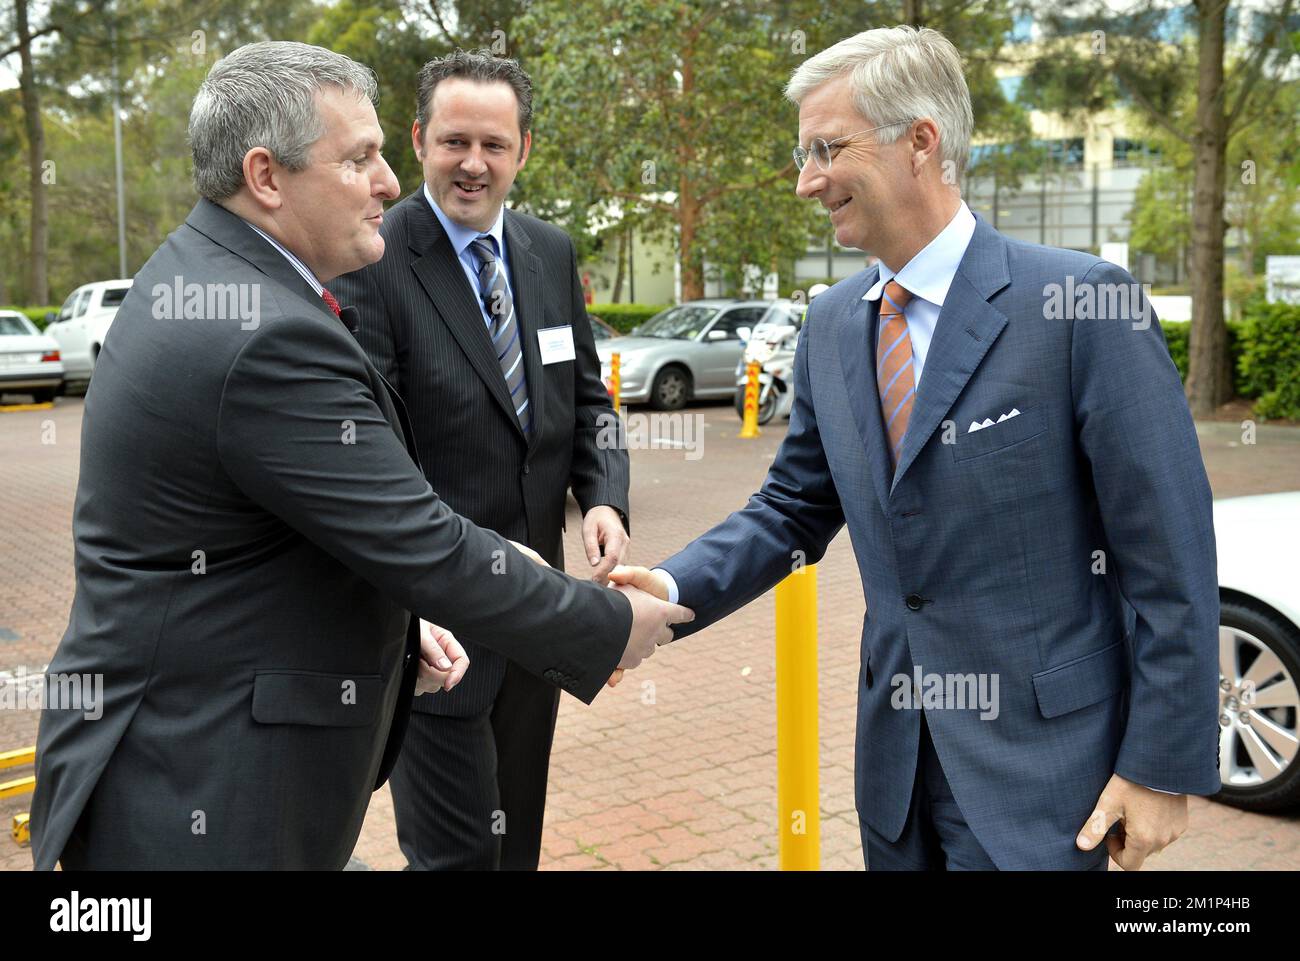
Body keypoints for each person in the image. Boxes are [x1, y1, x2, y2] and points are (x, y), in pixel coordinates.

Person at [30, 40, 690, 871]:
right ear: (267, 177)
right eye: (361, 159)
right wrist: (606, 623)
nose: (387, 183)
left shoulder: (217, 276)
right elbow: (413, 535)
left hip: (200, 752)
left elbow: (285, 518)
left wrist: (400, 621)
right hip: (204, 785)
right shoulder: (265, 334)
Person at [612, 25, 1219, 871]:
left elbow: (1170, 556)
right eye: (803, 154)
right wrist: (670, 589)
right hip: (897, 774)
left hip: (1049, 781)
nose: (805, 182)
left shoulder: (1082, 304)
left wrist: (1159, 764)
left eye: (826, 149)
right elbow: (792, 507)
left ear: (920, 143)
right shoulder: (829, 323)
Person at [332, 50, 629, 871]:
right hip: (439, 632)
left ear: (523, 150)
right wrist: (414, 596)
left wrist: (605, 496)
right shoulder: (374, 255)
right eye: (455, 140)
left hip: (535, 619)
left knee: (516, 842)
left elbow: (589, 402)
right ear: (420, 139)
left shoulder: (548, 251)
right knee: (455, 857)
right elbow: (373, 451)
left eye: (495, 144)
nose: (474, 163)